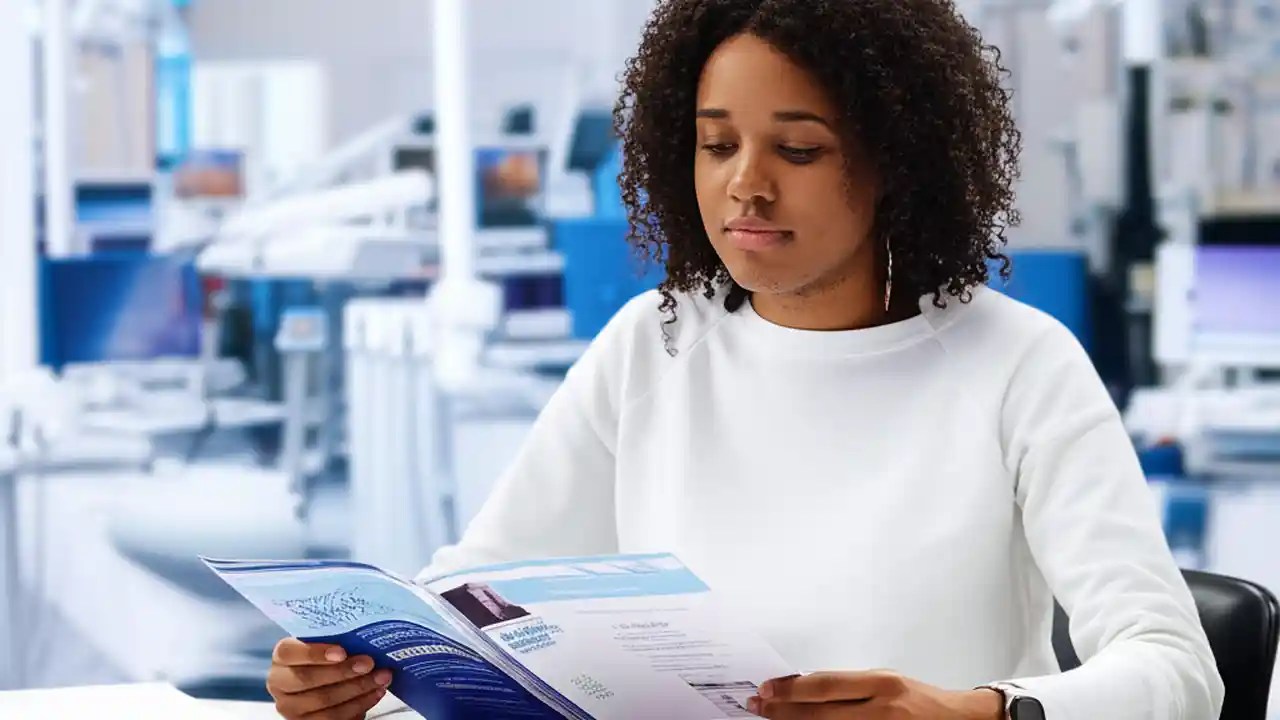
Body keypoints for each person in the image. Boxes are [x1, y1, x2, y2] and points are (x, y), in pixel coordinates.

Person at [266, 1, 1225, 718]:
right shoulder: (657, 340)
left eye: (798, 151)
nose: (745, 186)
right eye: (716, 144)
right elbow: (471, 605)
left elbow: (1176, 670)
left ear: (898, 163)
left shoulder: (1018, 364)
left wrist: (974, 709)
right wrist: (360, 682)